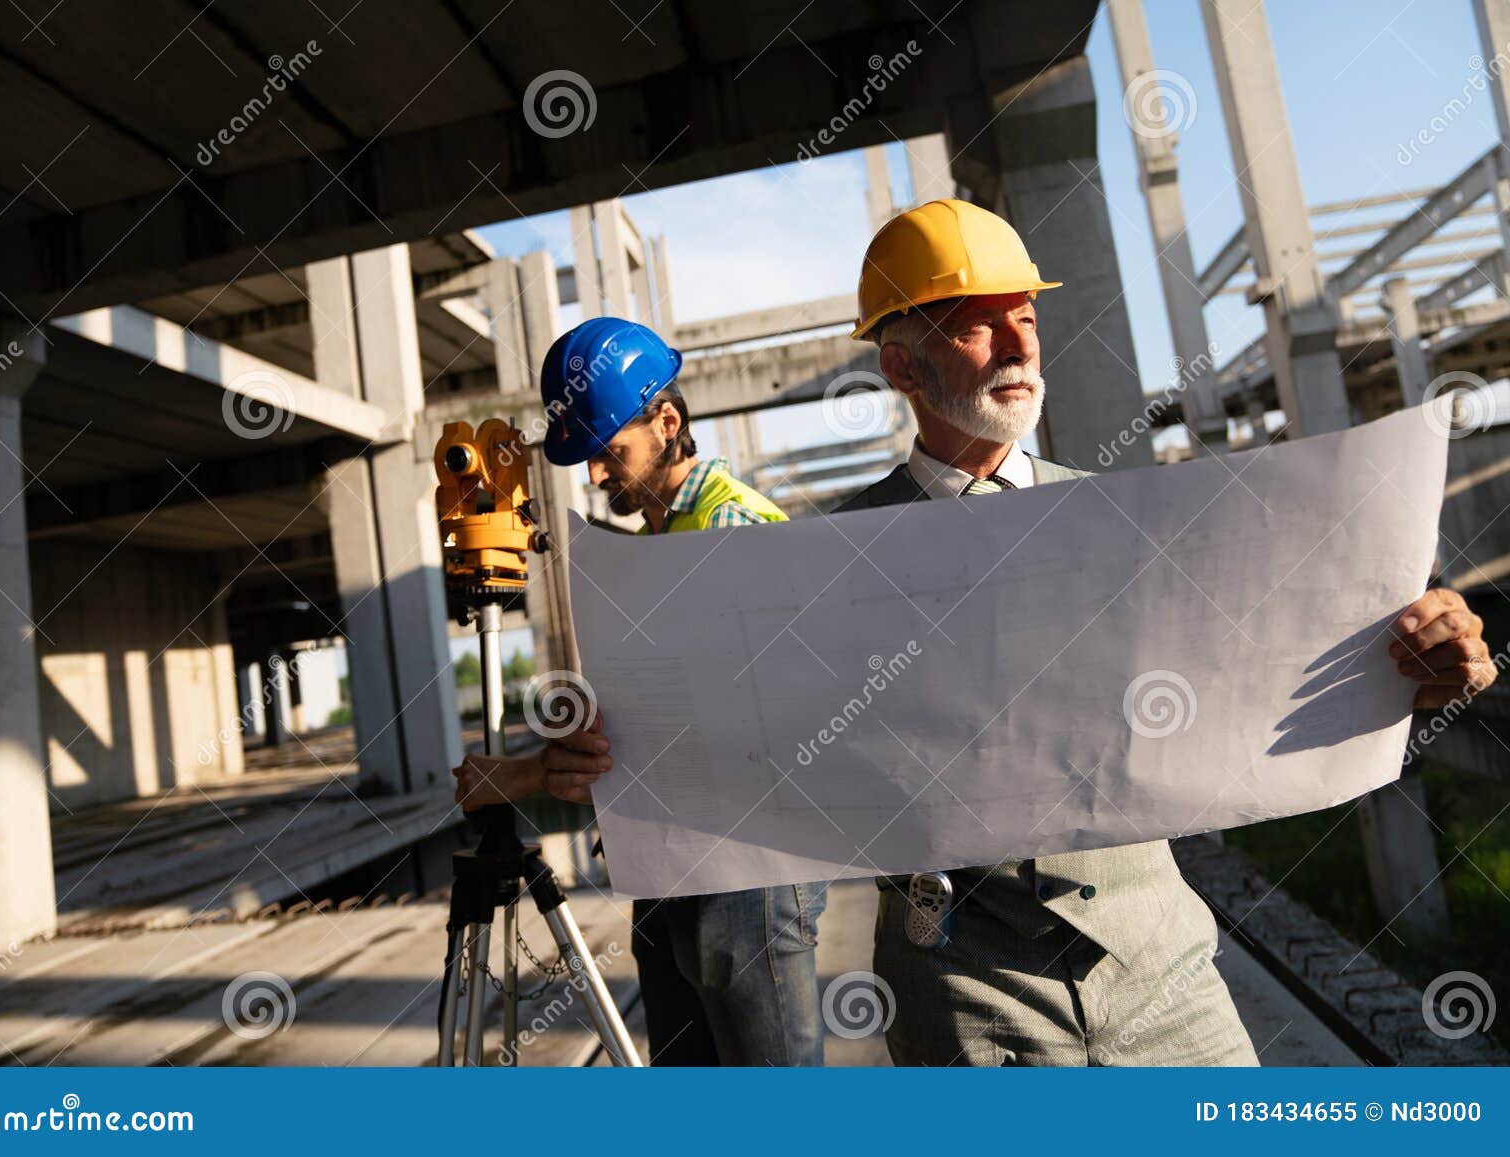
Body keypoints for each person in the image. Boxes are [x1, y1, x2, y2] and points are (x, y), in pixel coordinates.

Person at [825, 198, 1499, 1065]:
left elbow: (1260, 666)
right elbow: (750, 740)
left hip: (1162, 966)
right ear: (901, 366)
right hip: (966, 991)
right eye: (978, 327)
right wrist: (618, 755)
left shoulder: (1133, 521)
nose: (1022, 346)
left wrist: (1414, 668)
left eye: (1026, 318)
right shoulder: (832, 562)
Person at [451, 317, 829, 1067]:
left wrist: (525, 777)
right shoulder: (656, 543)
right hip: (671, 862)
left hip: (748, 870)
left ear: (668, 421)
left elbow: (724, 732)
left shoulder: (730, 529)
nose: (594, 477)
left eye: (609, 452)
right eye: (585, 458)